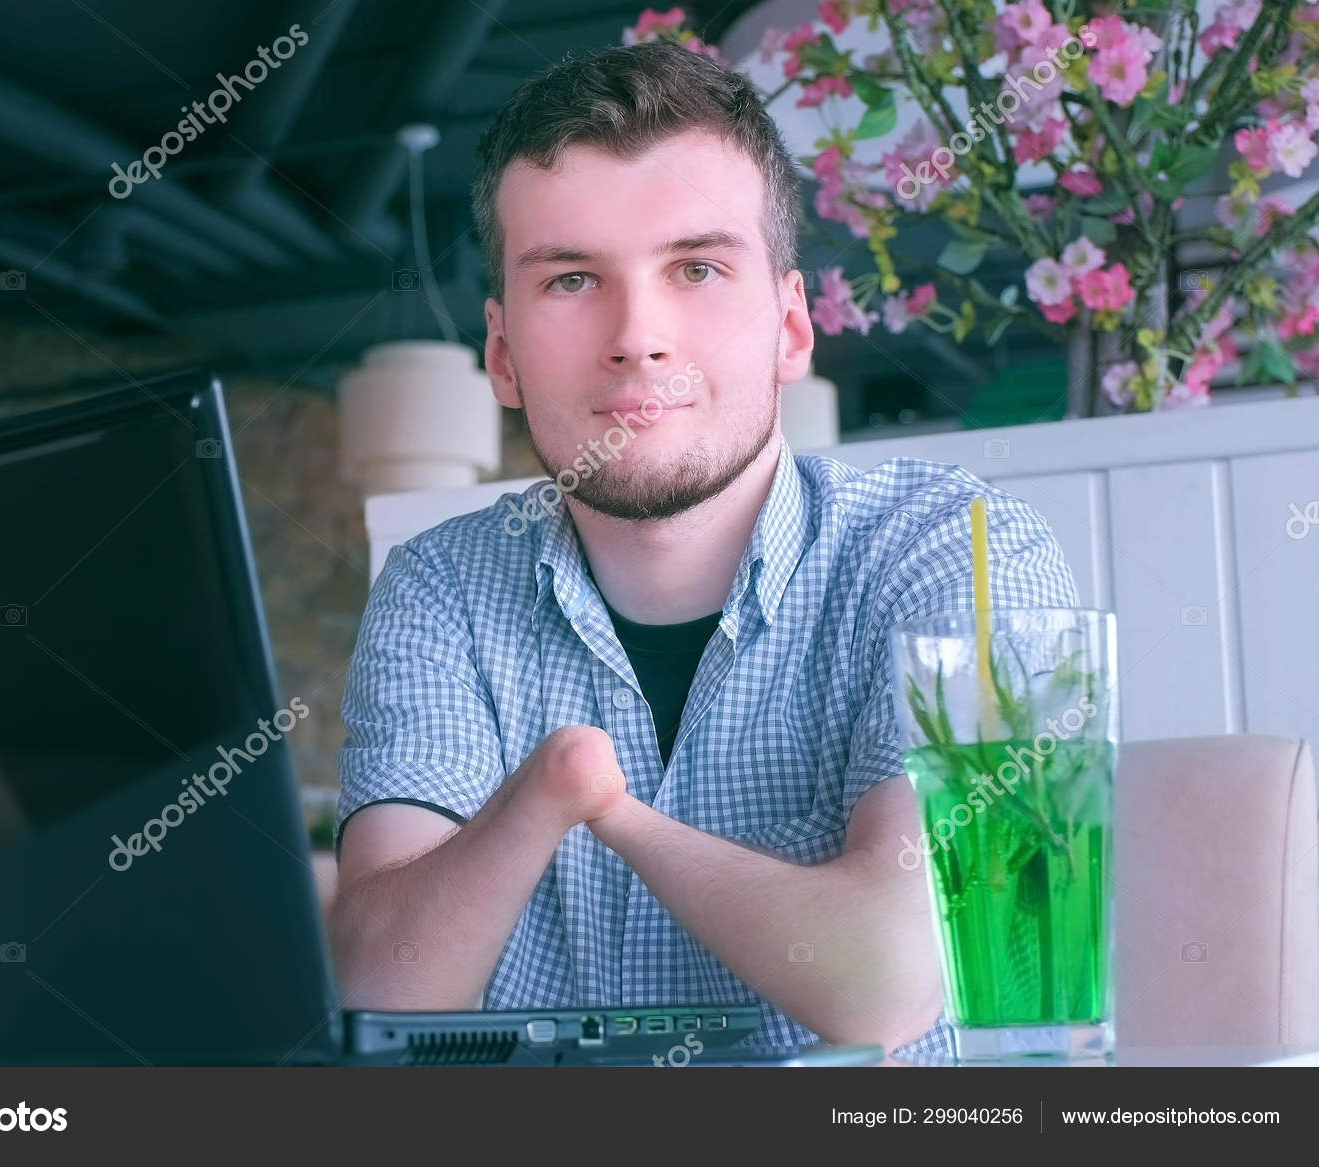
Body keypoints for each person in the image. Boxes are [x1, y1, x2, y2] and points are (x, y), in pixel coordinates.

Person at [328, 39, 1078, 1059]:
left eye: (696, 268)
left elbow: (892, 979)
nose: (638, 335)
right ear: (501, 355)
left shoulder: (962, 552)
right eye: (572, 280)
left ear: (790, 327)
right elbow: (380, 997)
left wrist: (607, 810)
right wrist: (541, 797)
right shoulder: (440, 587)